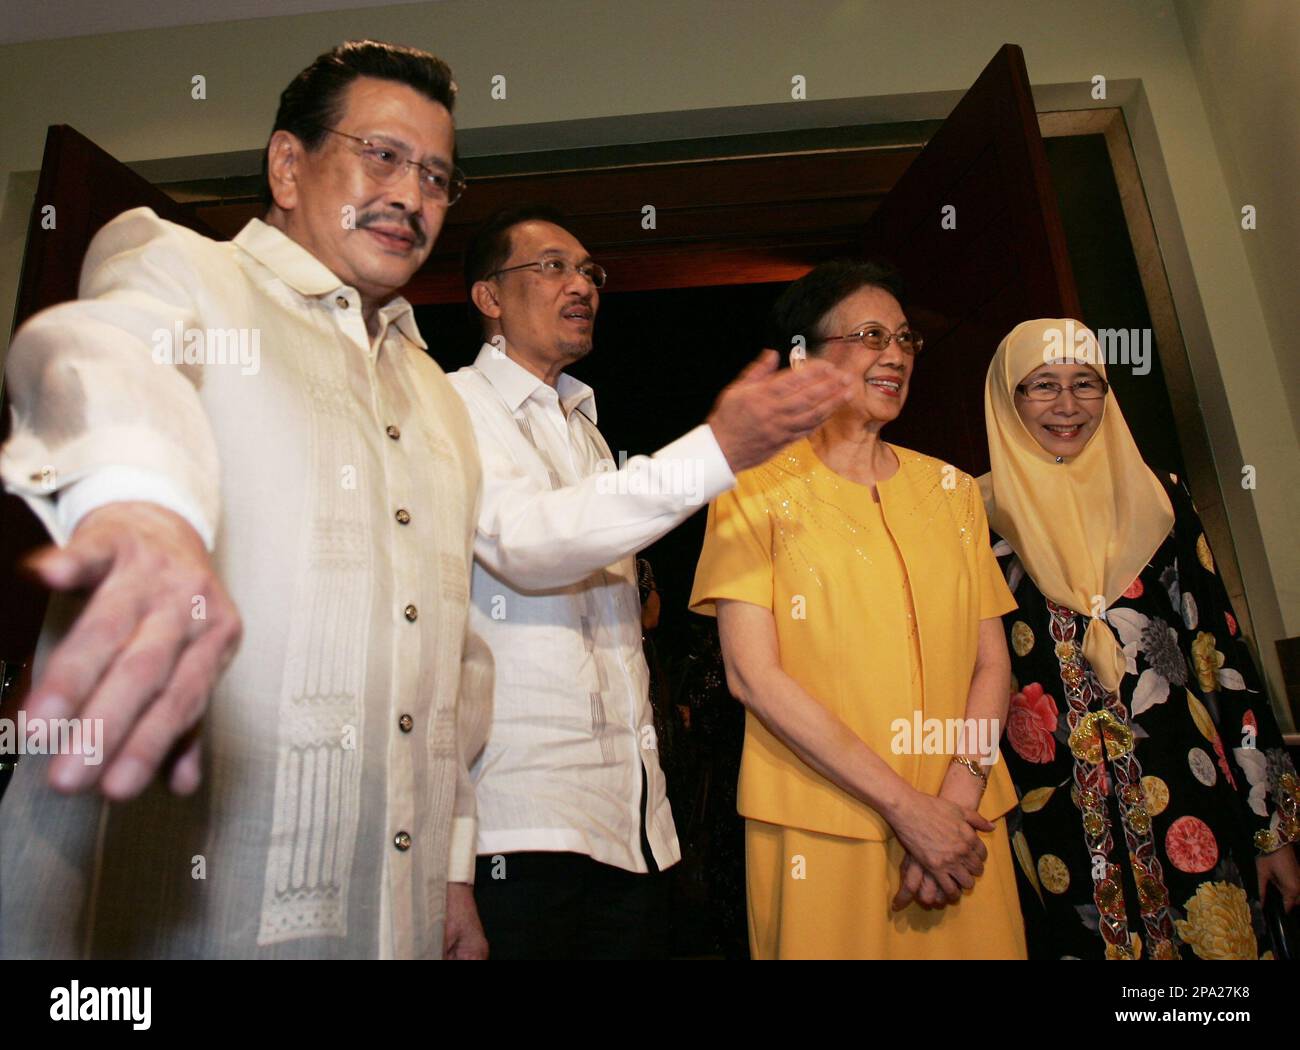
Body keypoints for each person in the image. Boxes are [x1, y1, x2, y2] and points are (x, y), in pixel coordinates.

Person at [0, 40, 490, 959]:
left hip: (399, 914)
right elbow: (100, 357)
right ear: (287, 165)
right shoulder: (188, 272)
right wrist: (138, 503)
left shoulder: (441, 402)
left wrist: (453, 870)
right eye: (381, 155)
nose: (413, 195)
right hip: (175, 924)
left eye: (436, 176)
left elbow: (453, 660)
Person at [447, 204, 852, 959]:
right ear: (488, 297)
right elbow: (527, 544)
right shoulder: (451, 407)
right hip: (518, 824)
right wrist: (716, 450)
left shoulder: (587, 434)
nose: (583, 285)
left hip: (631, 828)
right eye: (553, 266)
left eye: (591, 271)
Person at [688, 259, 1027, 959]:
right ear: (806, 358)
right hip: (821, 823)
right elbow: (754, 676)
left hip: (963, 834)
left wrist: (954, 807)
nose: (895, 355)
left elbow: (992, 664)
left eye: (905, 340)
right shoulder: (751, 489)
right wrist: (907, 811)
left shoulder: (955, 492)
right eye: (871, 336)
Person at [981, 317, 1300, 960]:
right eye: (1042, 385)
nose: (1067, 406)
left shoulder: (1160, 500)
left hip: (1193, 795)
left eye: (1086, 383)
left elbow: (1219, 658)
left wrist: (1273, 832)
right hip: (1057, 821)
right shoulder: (971, 521)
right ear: (1006, 399)